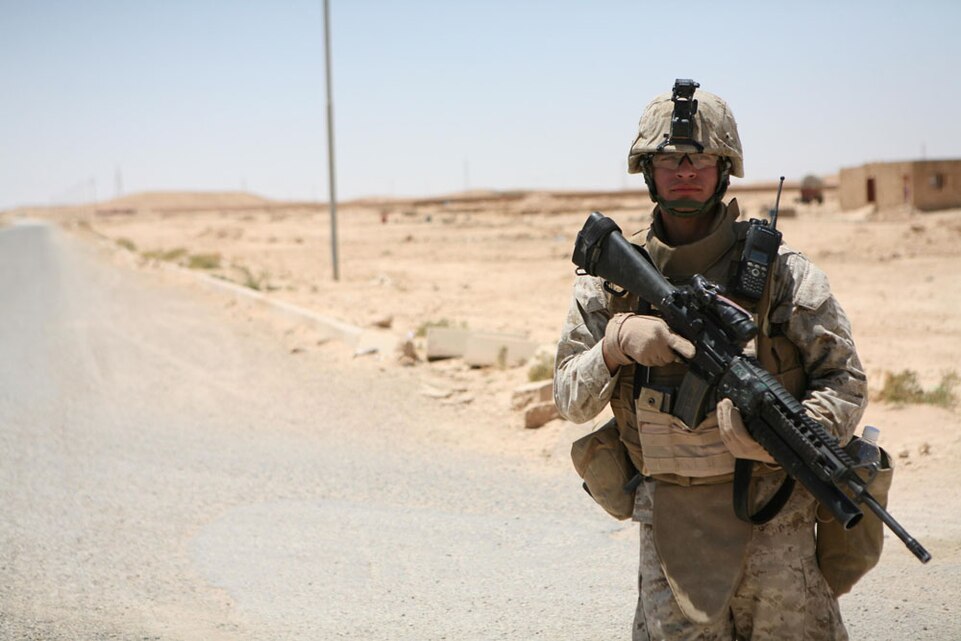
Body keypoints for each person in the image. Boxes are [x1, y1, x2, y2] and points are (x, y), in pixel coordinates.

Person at [553, 80, 868, 640]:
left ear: (725, 167)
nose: (685, 170)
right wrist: (614, 344)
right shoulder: (611, 284)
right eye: (669, 158)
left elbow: (844, 379)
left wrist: (788, 434)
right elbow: (569, 402)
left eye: (700, 157)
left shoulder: (782, 272)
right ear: (647, 169)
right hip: (669, 518)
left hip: (776, 519)